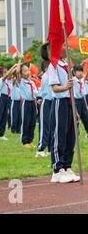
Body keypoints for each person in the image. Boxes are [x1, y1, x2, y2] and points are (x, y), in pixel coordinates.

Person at [47, 45, 80, 183]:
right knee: (59, 135)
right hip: (60, 102)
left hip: (70, 102)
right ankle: (57, 169)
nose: (66, 48)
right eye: (63, 46)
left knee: (71, 135)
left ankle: (67, 166)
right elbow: (54, 88)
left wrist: (76, 110)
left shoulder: (66, 65)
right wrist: (65, 87)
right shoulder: (53, 65)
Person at [0, 61, 20, 142]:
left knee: (4, 117)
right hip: (1, 97)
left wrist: (17, 65)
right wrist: (13, 66)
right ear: (0, 74)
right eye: (4, 72)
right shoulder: (0, 80)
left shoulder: (8, 81)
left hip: (7, 98)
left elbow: (11, 73)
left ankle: (1, 134)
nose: (7, 73)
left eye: (7, 72)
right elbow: (7, 75)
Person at [17, 63, 38, 149]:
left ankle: (30, 140)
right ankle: (24, 141)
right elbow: (17, 71)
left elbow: (36, 93)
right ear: (21, 74)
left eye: (28, 70)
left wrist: (39, 98)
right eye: (25, 71)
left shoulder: (32, 82)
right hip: (26, 103)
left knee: (32, 122)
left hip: (33, 103)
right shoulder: (21, 81)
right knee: (26, 122)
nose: (28, 72)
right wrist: (19, 61)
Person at [37, 54, 53, 158]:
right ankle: (40, 148)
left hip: (52, 101)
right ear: (47, 68)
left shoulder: (50, 75)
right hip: (46, 101)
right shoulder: (46, 76)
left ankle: (50, 148)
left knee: (52, 126)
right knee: (44, 126)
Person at [73, 64, 88, 137]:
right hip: (76, 101)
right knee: (76, 117)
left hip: (82, 100)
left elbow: (84, 77)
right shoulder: (73, 80)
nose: (80, 73)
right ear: (74, 72)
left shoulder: (82, 80)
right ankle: (76, 133)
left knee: (86, 116)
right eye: (78, 71)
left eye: (81, 71)